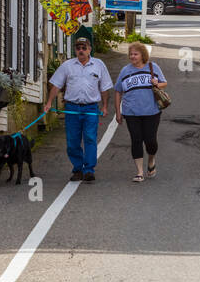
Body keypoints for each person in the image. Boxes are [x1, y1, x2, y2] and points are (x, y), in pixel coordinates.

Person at [45, 35, 112, 182]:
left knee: (90, 138)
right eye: (78, 48)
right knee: (73, 141)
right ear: (75, 50)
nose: (81, 50)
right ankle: (77, 169)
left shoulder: (98, 65)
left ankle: (89, 170)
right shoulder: (67, 65)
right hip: (72, 109)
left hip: (90, 109)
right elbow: (56, 85)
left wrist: (105, 106)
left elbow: (105, 87)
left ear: (90, 49)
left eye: (84, 48)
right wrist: (49, 102)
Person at [113, 41, 168, 183]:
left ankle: (151, 159)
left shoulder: (153, 67)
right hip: (131, 112)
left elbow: (164, 83)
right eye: (130, 54)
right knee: (136, 140)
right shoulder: (125, 70)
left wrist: (157, 83)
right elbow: (118, 91)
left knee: (150, 140)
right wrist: (118, 112)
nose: (132, 56)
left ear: (142, 55)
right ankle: (139, 172)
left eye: (135, 54)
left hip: (152, 111)